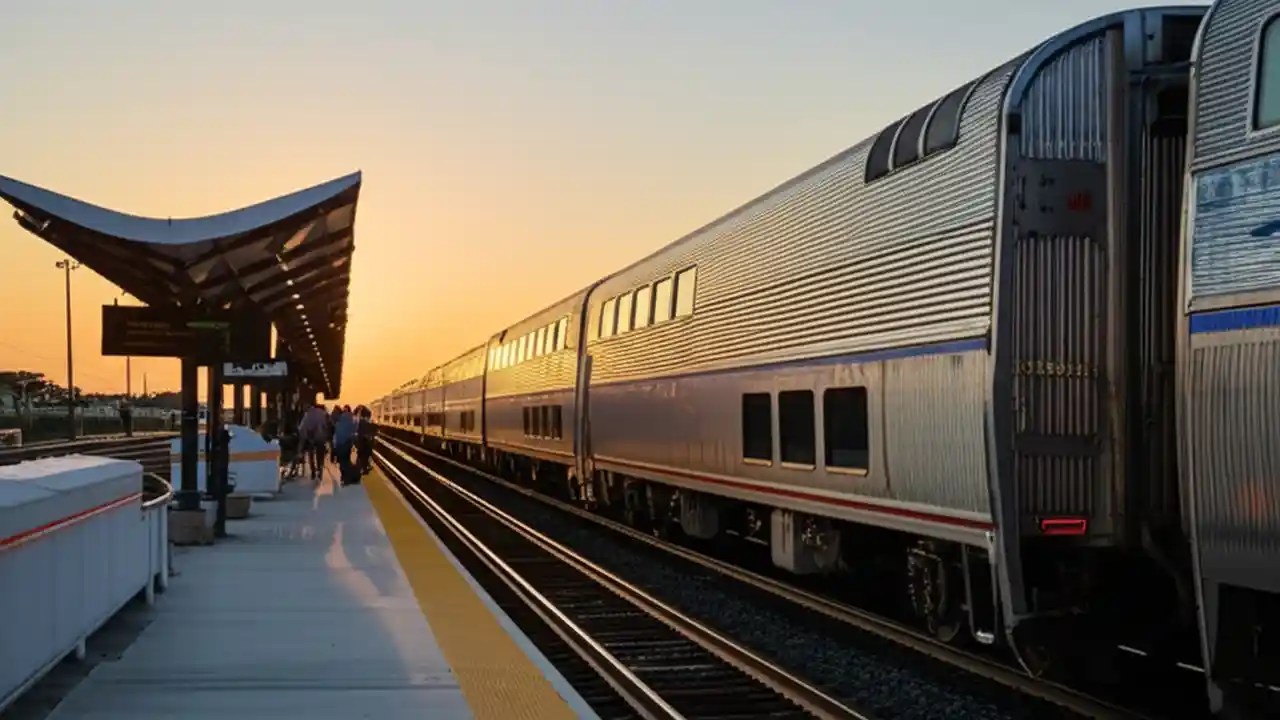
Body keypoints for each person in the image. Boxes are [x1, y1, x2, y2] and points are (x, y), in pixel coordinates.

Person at [298, 403, 329, 480]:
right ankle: (319, 469)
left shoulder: (307, 415)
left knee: (311, 455)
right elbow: (326, 425)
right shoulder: (322, 413)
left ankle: (313, 471)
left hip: (311, 438)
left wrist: (303, 438)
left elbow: (303, 428)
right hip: (321, 438)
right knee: (320, 456)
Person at [332, 406, 357, 486]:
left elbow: (338, 434)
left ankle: (345, 478)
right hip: (347, 443)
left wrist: (335, 446)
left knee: (343, 462)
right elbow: (354, 430)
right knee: (345, 461)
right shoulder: (350, 418)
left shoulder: (341, 420)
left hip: (341, 443)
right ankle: (346, 478)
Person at [355, 405, 376, 477]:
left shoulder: (361, 422)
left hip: (362, 444)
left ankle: (363, 469)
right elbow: (366, 434)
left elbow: (359, 433)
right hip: (364, 444)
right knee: (363, 457)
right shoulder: (364, 423)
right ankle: (363, 470)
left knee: (361, 457)